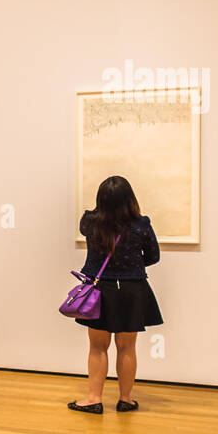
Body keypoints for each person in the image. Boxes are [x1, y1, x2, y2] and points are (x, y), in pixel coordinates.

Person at [68, 175, 162, 414]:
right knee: (127, 348)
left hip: (99, 291)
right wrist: (131, 266)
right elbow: (153, 256)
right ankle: (126, 399)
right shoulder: (142, 224)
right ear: (130, 198)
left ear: (101, 198)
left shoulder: (89, 221)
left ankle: (93, 398)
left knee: (98, 347)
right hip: (132, 290)